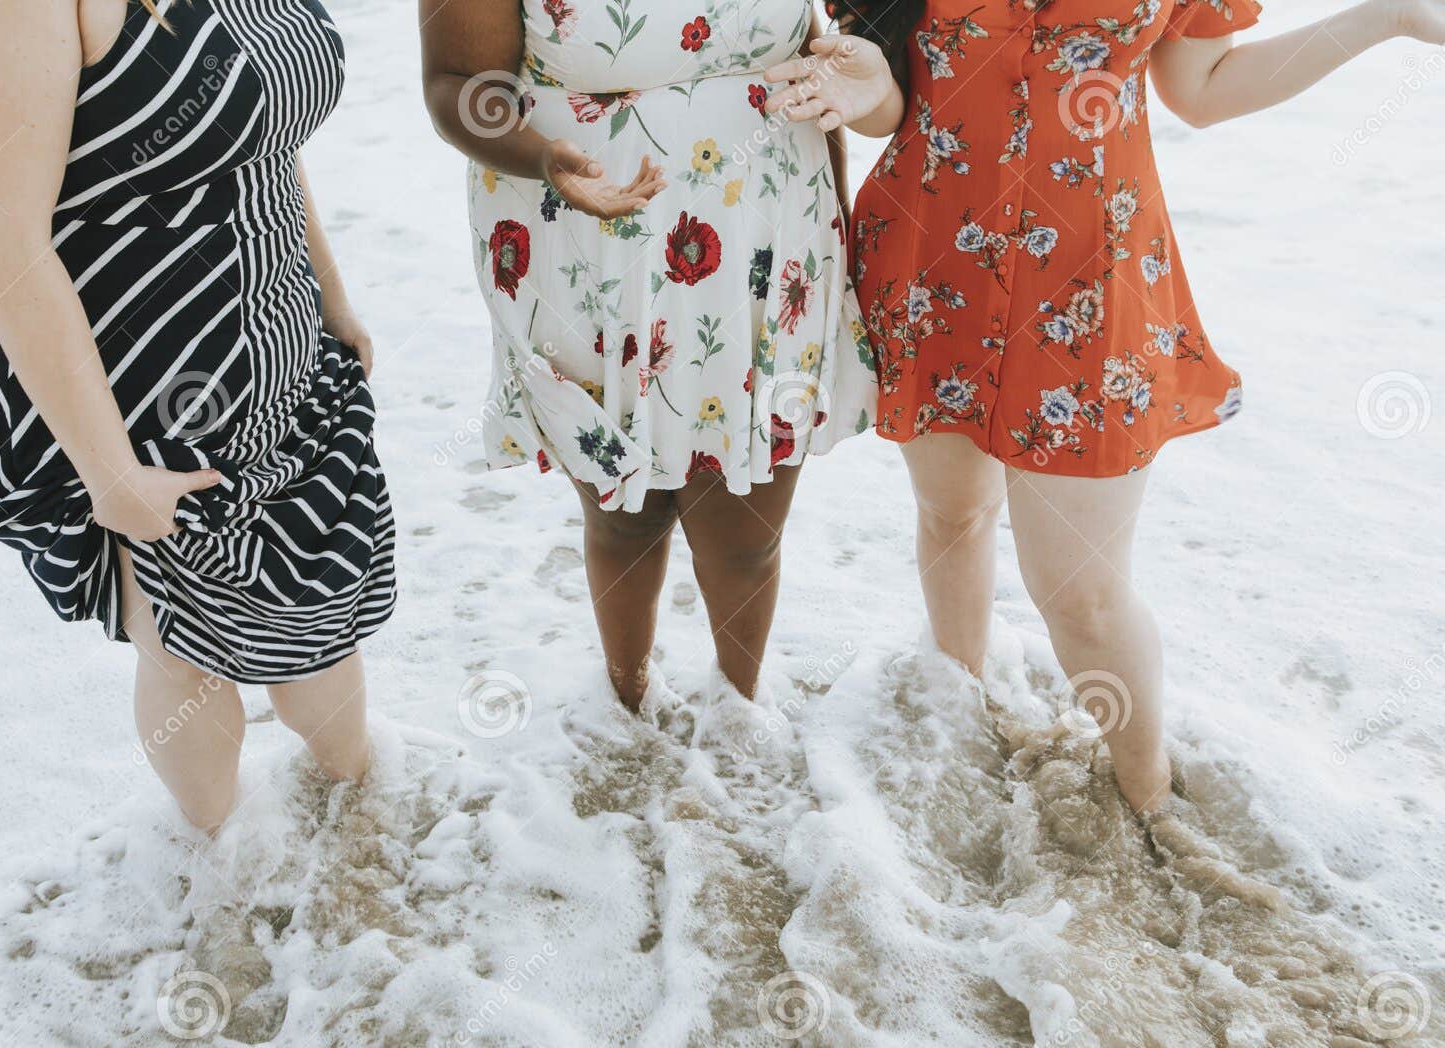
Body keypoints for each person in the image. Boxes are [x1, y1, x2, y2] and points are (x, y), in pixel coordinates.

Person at [764, 0, 1445, 812]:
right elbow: (892, 96)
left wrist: (1389, 21)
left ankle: (1150, 805)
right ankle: (958, 726)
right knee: (953, 514)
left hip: (1091, 282)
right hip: (934, 257)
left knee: (1082, 596)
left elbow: (1207, 86)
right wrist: (857, 94)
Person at [0, 0, 397, 833]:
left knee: (319, 599)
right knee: (182, 642)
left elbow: (259, 115)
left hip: (281, 330)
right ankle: (221, 863)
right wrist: (109, 472)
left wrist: (329, 292)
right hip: (139, 377)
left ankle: (364, 820)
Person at [420, 0, 880, 723]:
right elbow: (456, 82)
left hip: (770, 234)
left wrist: (844, 222)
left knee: (747, 535)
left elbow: (821, 48)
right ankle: (627, 708)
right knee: (623, 516)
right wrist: (543, 157)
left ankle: (741, 723)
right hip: (581, 241)